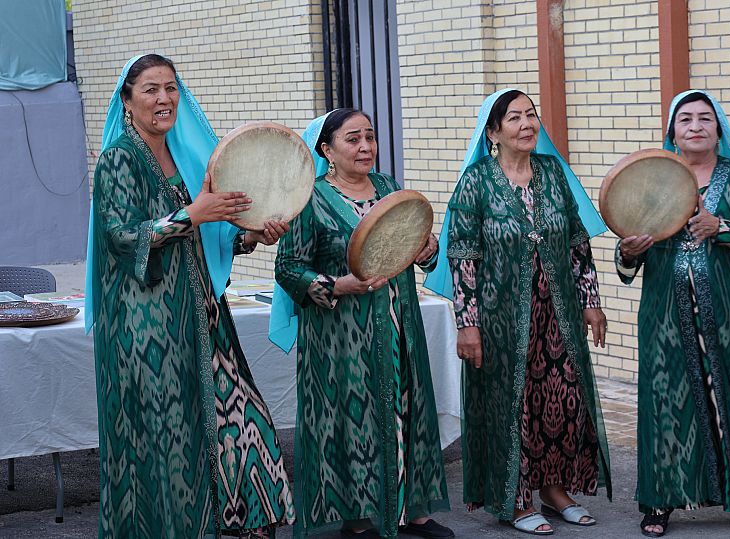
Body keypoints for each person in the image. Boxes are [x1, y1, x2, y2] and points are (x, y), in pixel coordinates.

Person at [85, 54, 294, 539]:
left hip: (204, 315)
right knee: (166, 443)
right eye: (151, 89)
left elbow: (207, 237)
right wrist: (192, 215)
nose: (164, 99)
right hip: (147, 329)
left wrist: (252, 237)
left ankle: (245, 522)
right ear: (128, 100)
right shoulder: (119, 158)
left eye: (171, 88)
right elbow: (121, 237)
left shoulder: (186, 159)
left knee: (245, 424)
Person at [425, 89, 612, 535]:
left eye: (531, 116)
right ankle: (513, 498)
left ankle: (554, 490)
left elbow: (576, 244)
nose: (527, 124)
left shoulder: (552, 173)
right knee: (511, 406)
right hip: (499, 320)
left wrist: (590, 300)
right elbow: (463, 257)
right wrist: (467, 324)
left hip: (557, 315)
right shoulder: (476, 182)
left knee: (561, 399)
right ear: (493, 132)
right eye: (515, 118)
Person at [617, 90, 730, 536]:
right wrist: (628, 251)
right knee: (666, 405)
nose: (695, 126)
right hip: (665, 319)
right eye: (685, 119)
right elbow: (627, 257)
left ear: (719, 131)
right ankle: (660, 502)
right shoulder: (652, 180)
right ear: (673, 132)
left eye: (705, 119)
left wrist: (723, 227)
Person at [271, 108, 452, 539]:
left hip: (397, 322)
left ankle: (413, 511)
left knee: (404, 408)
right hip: (340, 334)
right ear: (326, 150)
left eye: (370, 137)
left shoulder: (390, 189)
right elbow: (289, 267)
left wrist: (427, 250)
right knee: (352, 416)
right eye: (352, 139)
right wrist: (336, 285)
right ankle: (356, 516)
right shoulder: (308, 197)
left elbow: (416, 249)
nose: (366, 146)